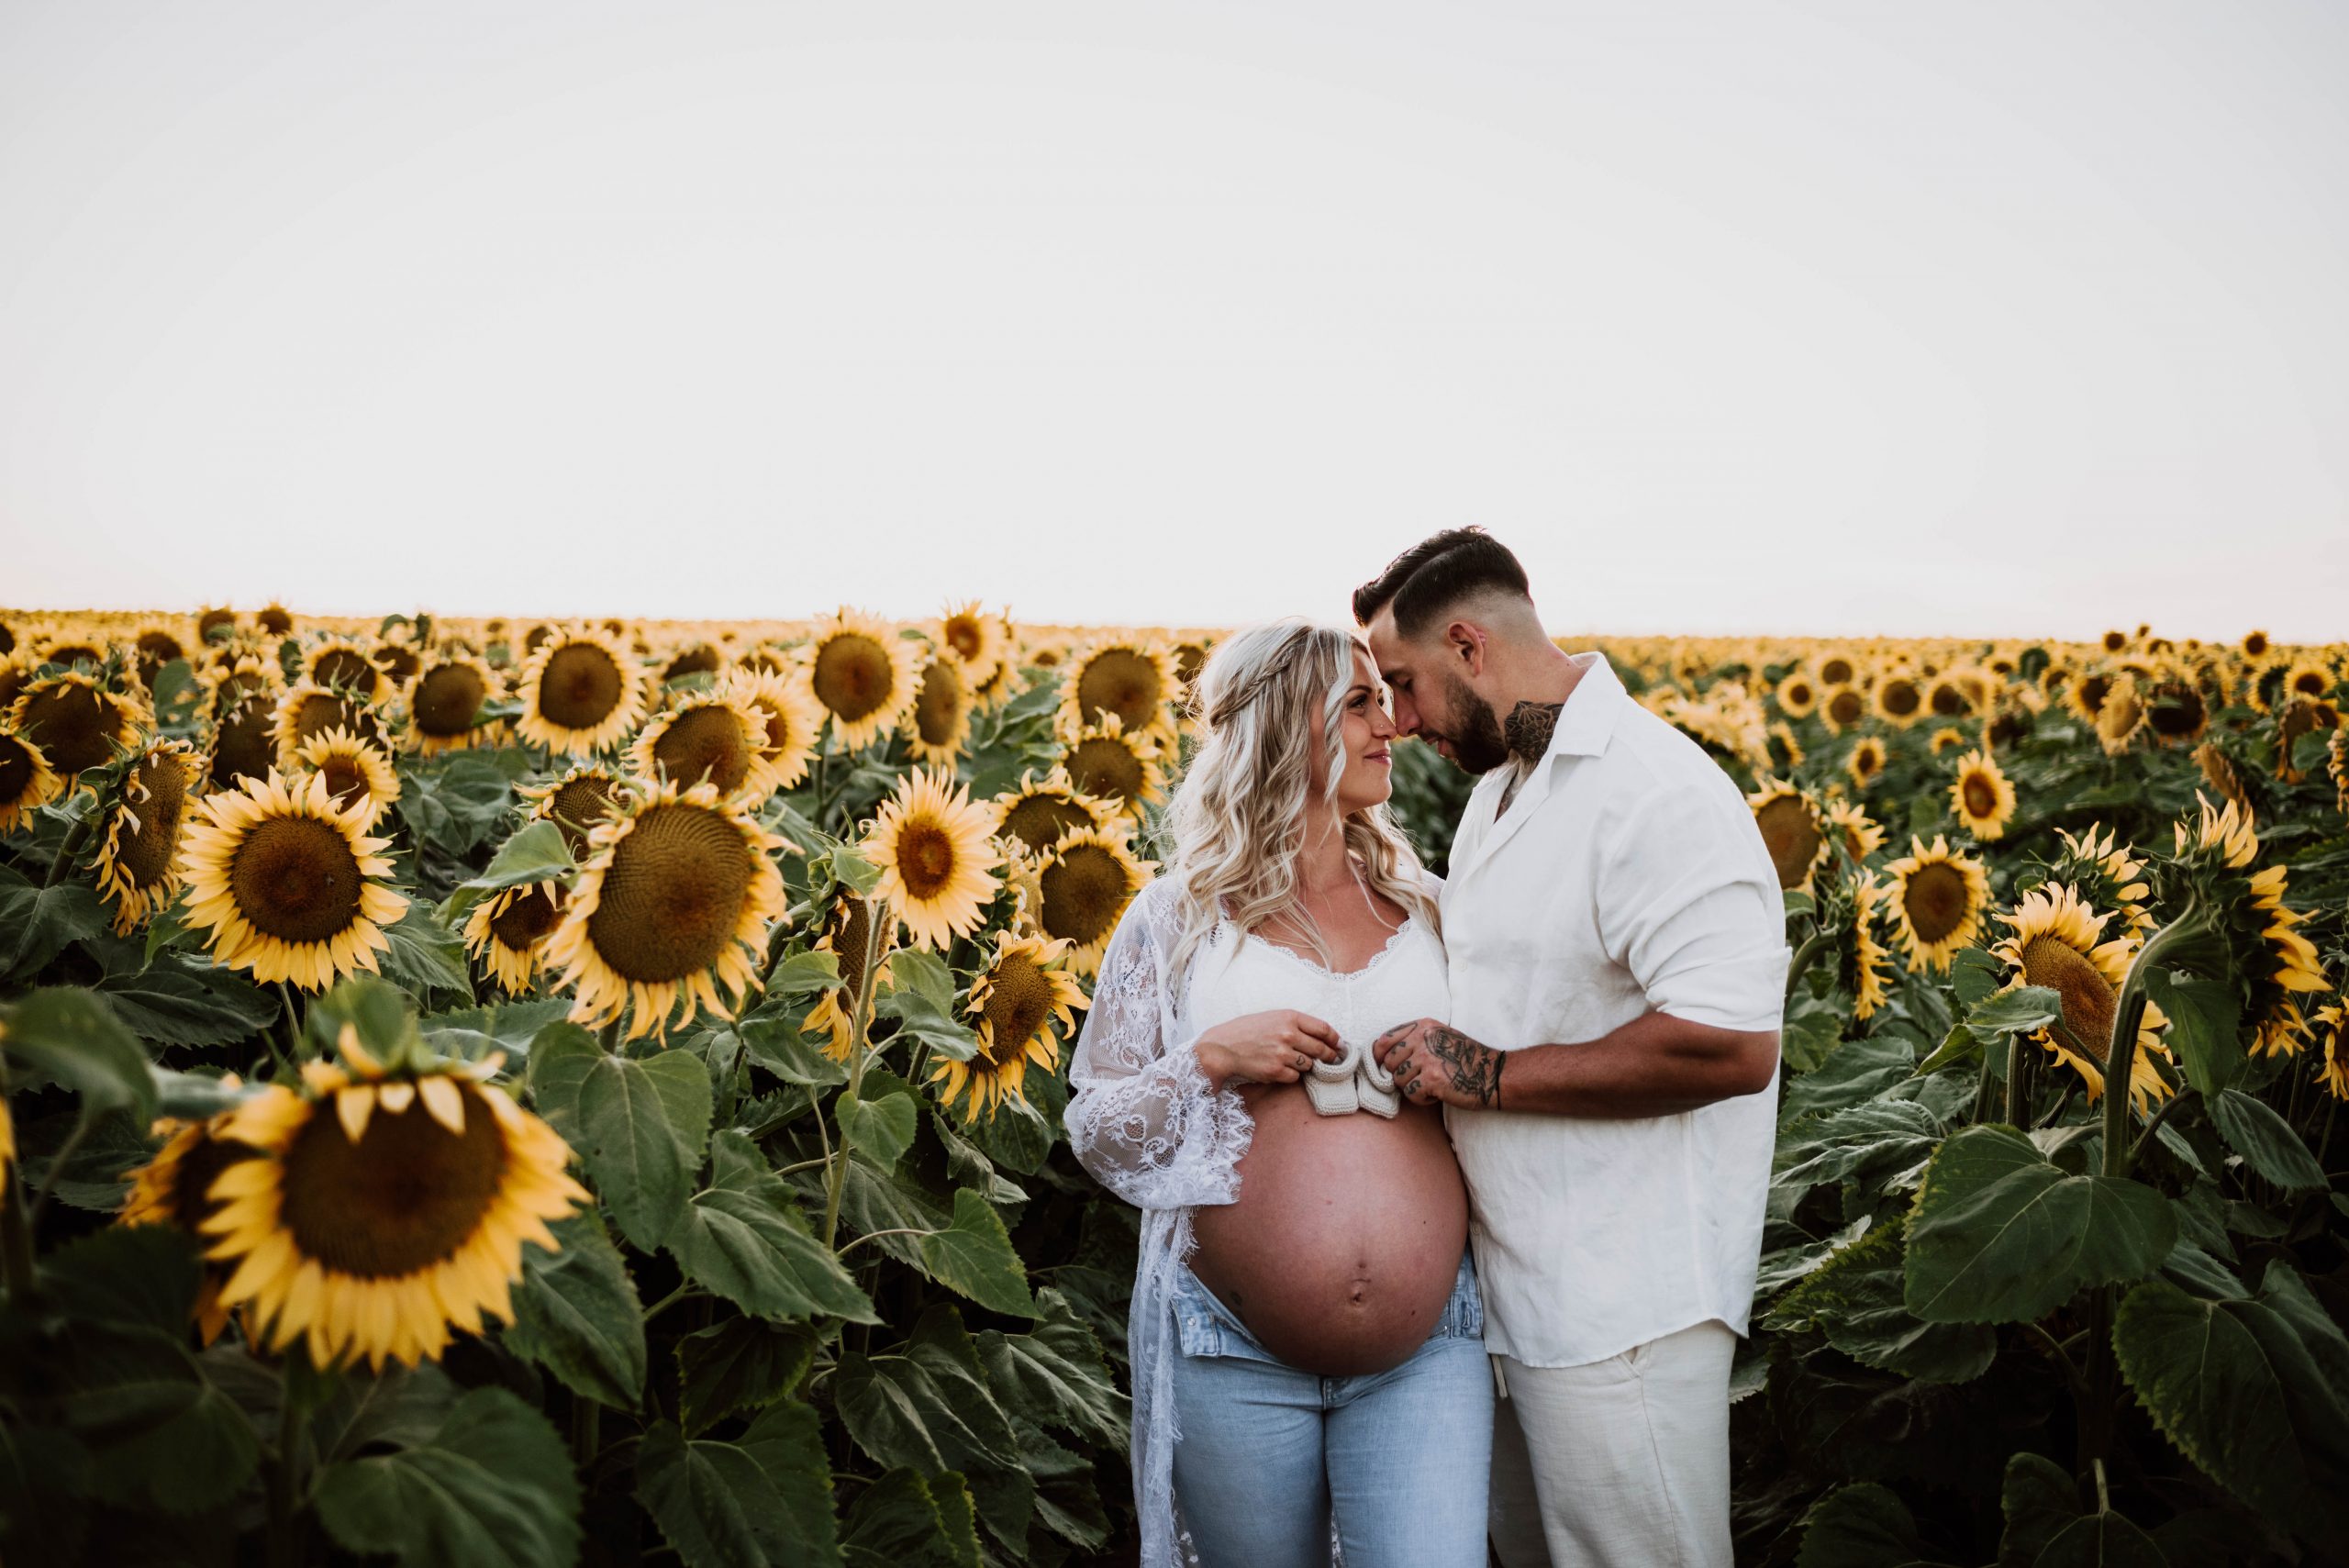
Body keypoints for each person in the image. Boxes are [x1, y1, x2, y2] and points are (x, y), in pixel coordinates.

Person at [1358, 528, 1787, 1568]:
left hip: (1623, 1303)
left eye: (1404, 683)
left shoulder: (1655, 791)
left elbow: (1729, 1043)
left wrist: (1486, 1073)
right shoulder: (1496, 794)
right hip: (1521, 1295)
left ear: (1467, 643)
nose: (1399, 719)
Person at [1063, 617, 1493, 1568]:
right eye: (1357, 703)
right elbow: (1095, 1127)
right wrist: (1208, 1058)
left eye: (1385, 699)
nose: (1390, 724)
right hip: (1230, 1351)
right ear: (1274, 726)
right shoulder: (1177, 917)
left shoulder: (1429, 906)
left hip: (1427, 1352)